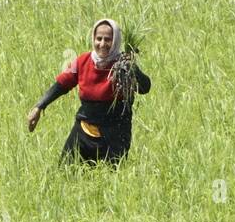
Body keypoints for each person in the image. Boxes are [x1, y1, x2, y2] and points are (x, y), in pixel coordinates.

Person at [27, 18, 150, 167]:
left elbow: (145, 88)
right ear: (93, 38)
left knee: (110, 180)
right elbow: (61, 85)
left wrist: (132, 69)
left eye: (108, 39)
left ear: (116, 41)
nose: (102, 44)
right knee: (65, 172)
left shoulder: (122, 67)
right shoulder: (82, 61)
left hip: (114, 135)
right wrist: (39, 106)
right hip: (83, 132)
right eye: (99, 39)